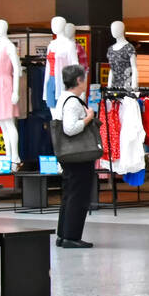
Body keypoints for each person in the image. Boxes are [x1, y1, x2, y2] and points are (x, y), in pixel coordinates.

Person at [50, 65, 101, 249]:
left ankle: (63, 235)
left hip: (68, 156)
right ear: (78, 80)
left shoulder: (63, 98)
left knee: (69, 194)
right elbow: (70, 129)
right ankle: (72, 236)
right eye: (84, 78)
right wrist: (89, 117)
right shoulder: (73, 101)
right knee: (79, 196)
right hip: (78, 156)